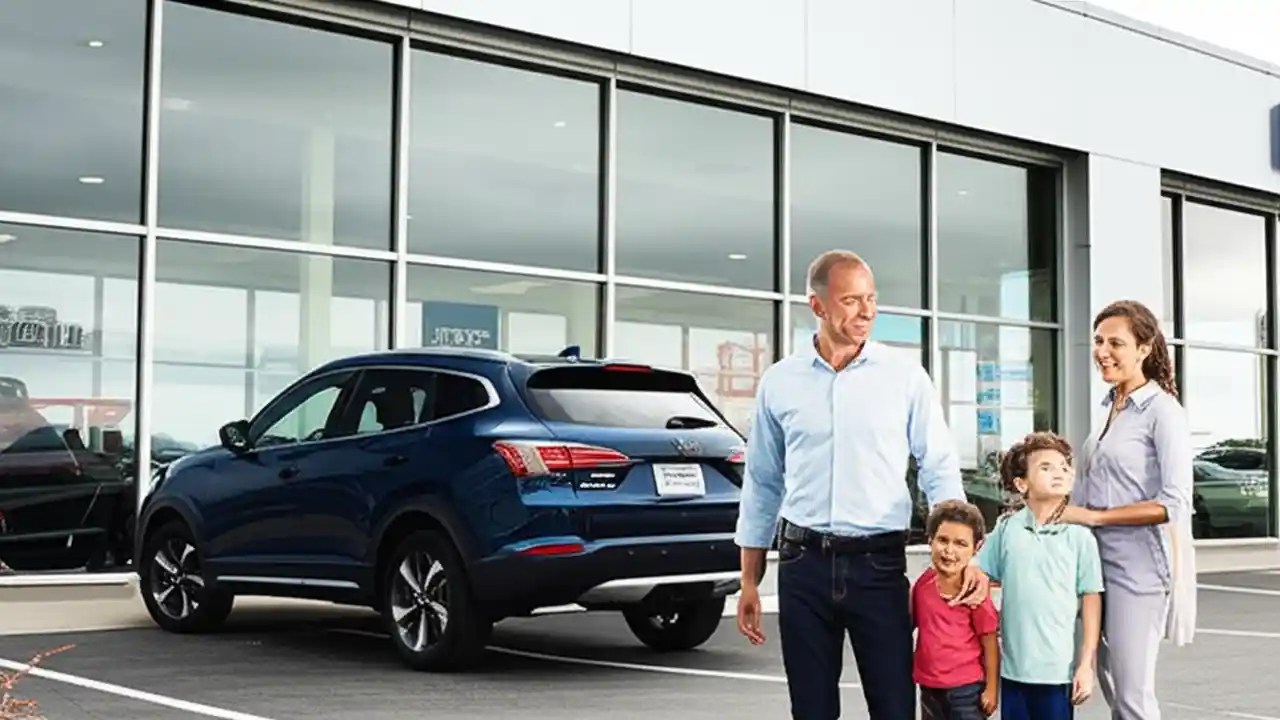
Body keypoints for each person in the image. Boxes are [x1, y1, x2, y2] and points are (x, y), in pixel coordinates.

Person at [735, 249, 988, 720]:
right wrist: (749, 581)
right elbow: (763, 483)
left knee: (893, 708)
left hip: (879, 567)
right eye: (850, 300)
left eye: (871, 298)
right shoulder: (780, 382)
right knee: (811, 711)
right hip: (803, 565)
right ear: (817, 305)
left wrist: (966, 554)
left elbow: (938, 466)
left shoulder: (905, 378)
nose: (866, 311)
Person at [1053, 299, 1197, 720]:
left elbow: (1175, 502)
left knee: (1132, 695)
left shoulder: (1163, 412)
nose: (1103, 351)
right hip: (1091, 562)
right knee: (1108, 683)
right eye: (1098, 341)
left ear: (1144, 348)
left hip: (1138, 568)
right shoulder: (1108, 406)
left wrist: (1095, 517)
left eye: (1115, 343)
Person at [977, 431, 1103, 720]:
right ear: (1022, 483)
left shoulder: (1080, 537)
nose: (1059, 472)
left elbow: (1091, 599)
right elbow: (980, 575)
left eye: (1064, 467)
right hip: (1012, 672)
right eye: (1046, 467)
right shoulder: (1007, 529)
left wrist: (1086, 664)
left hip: (1058, 673)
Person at [913, 500, 1000, 719]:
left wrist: (991, 688)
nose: (949, 550)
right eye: (943, 540)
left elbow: (990, 643)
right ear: (930, 540)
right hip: (929, 688)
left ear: (976, 548)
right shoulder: (922, 585)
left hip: (967, 690)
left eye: (961, 543)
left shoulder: (975, 593)